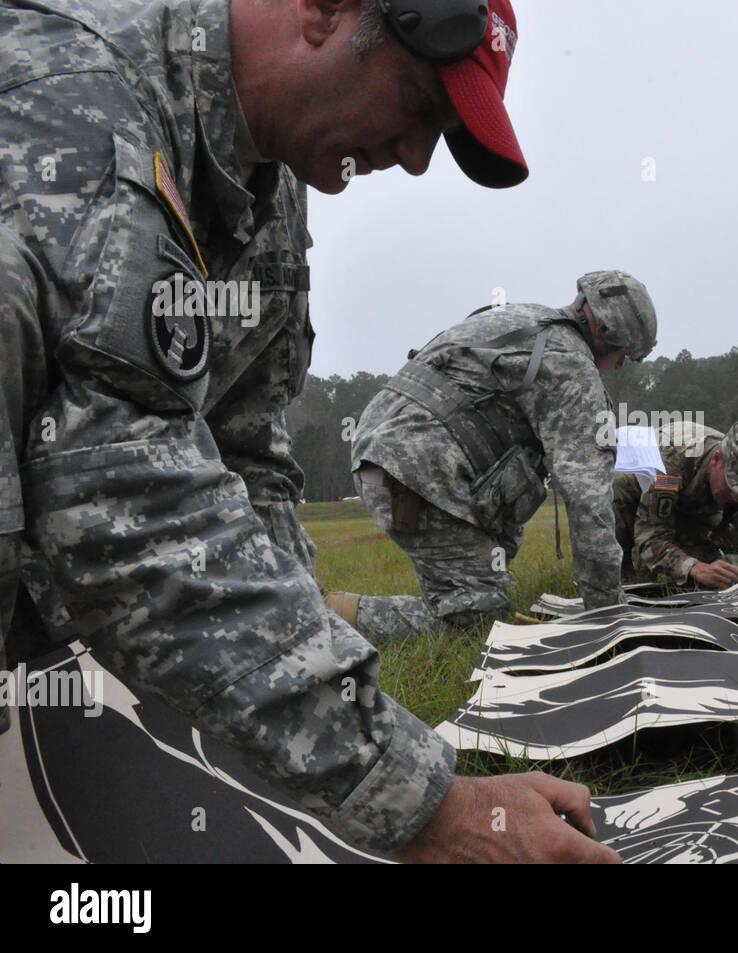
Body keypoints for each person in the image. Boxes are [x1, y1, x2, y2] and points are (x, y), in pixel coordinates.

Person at [0, 0, 618, 862]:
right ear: (325, 11)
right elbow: (124, 508)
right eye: (416, 102)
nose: (413, 155)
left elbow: (249, 459)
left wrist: (313, 734)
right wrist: (426, 803)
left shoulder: (268, 195)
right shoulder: (78, 103)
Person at [331, 270, 657, 642]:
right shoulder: (572, 369)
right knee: (477, 624)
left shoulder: (522, 318)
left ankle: (452, 595)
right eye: (623, 357)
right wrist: (607, 615)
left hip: (390, 456)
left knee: (477, 585)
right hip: (423, 474)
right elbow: (588, 500)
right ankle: (324, 617)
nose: (618, 366)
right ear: (607, 334)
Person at [614, 420, 738, 588]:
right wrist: (694, 568)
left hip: (692, 500)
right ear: (716, 460)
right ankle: (622, 572)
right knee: (620, 492)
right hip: (639, 486)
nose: (736, 498)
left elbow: (733, 546)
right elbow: (650, 539)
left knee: (708, 561)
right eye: (731, 485)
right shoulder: (671, 467)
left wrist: (728, 566)